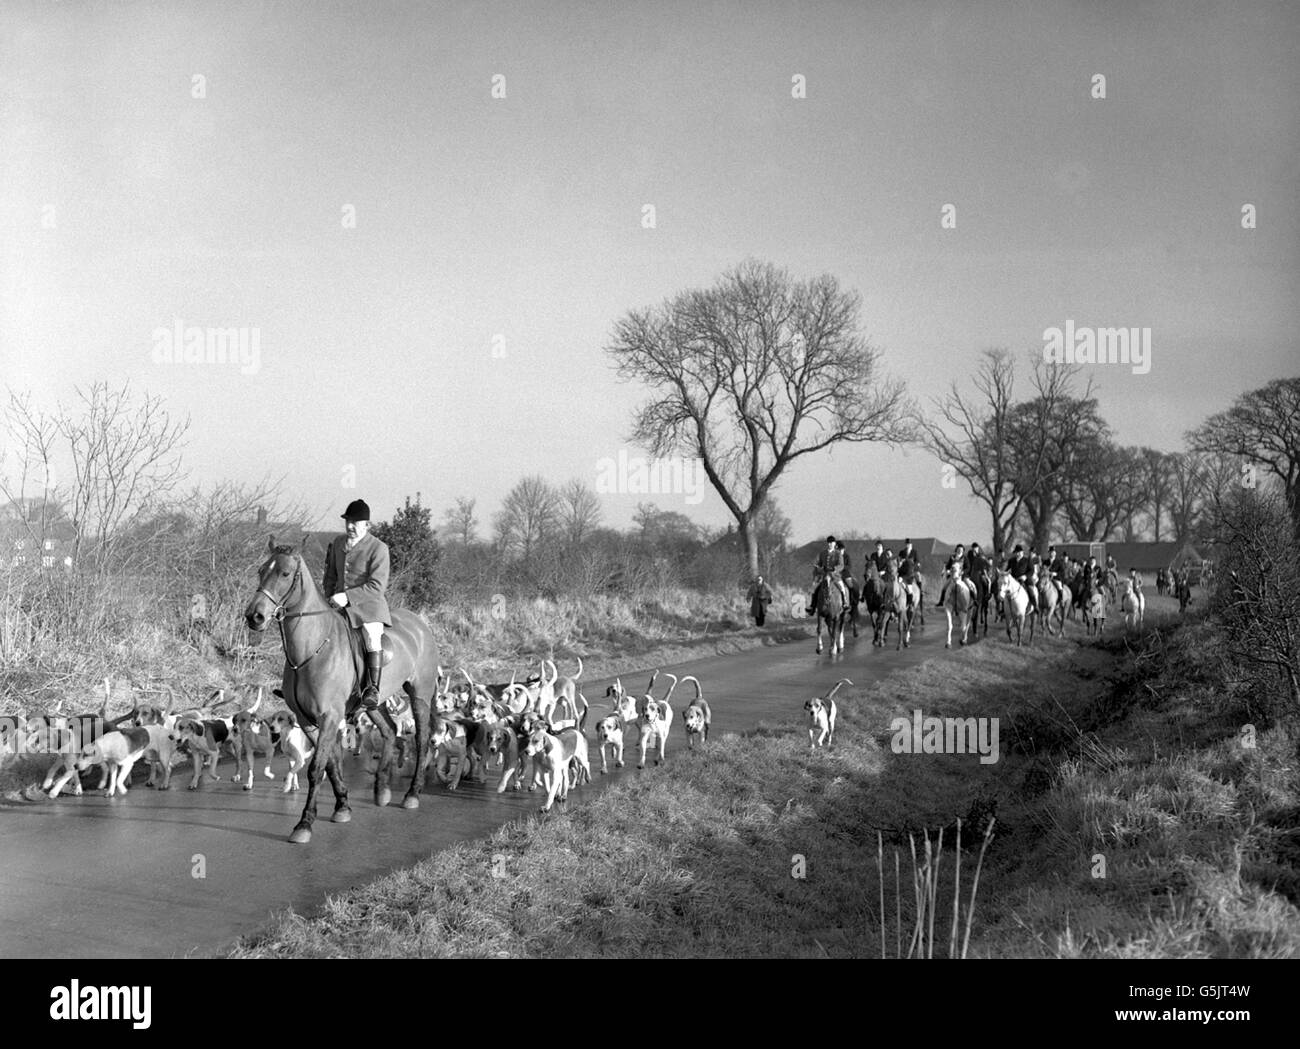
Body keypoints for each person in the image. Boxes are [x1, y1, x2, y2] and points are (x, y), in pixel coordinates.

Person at [322, 499, 391, 708]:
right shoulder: (338, 543)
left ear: (367, 525)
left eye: (356, 522)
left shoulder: (379, 548)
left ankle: (372, 689)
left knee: (372, 637)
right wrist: (329, 596)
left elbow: (377, 586)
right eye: (348, 521)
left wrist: (347, 597)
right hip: (339, 606)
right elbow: (331, 576)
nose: (350, 526)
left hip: (369, 608)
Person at [807, 535, 849, 615]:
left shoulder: (838, 553)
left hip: (835, 576)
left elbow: (841, 565)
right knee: (815, 588)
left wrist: (834, 569)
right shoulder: (823, 553)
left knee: (842, 588)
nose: (830, 544)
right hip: (825, 576)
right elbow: (817, 564)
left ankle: (844, 603)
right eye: (829, 543)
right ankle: (812, 606)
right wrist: (819, 568)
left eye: (832, 543)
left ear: (834, 544)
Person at [1004, 543, 1038, 614]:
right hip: (1014, 580)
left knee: (1030, 589)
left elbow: (1032, 570)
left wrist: (1025, 576)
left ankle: (1035, 606)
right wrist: (1005, 573)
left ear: (1022, 552)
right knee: (1004, 591)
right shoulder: (1011, 561)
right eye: (1017, 552)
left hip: (1025, 580)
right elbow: (1007, 570)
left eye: (1019, 552)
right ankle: (1004, 609)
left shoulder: (1027, 560)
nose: (1018, 554)